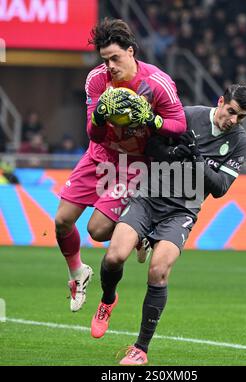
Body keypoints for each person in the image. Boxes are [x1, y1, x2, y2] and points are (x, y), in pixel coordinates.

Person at [90, 84, 246, 365]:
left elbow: (220, 188)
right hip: (149, 195)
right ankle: (108, 300)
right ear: (221, 101)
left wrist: (196, 157)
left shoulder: (240, 142)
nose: (234, 121)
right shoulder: (188, 115)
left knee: (158, 270)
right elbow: (152, 145)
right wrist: (175, 153)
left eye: (240, 117)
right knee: (115, 256)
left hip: (182, 210)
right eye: (231, 112)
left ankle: (140, 349)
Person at [54, 18, 186, 312]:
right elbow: (93, 133)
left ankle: (137, 232)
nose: (110, 66)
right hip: (99, 155)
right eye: (105, 60)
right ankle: (78, 273)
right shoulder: (96, 80)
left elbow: (179, 125)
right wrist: (100, 116)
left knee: (98, 231)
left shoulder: (157, 84)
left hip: (132, 164)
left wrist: (152, 120)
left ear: (131, 51)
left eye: (115, 58)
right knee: (62, 221)